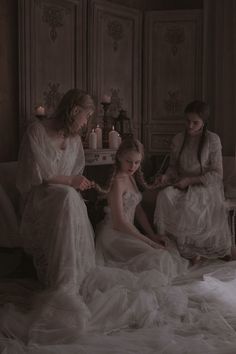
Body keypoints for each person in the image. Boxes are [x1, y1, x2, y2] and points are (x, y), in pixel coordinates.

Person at [16, 88, 96, 292]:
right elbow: (39, 177)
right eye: (86, 116)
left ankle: (71, 280)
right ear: (75, 110)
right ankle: (62, 282)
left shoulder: (74, 139)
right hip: (42, 197)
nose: (86, 122)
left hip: (65, 198)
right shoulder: (37, 131)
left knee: (69, 196)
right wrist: (71, 181)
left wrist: (78, 182)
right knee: (67, 194)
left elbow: (75, 174)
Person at [94, 138, 188, 278]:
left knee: (165, 252)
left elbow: (138, 211)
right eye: (129, 161)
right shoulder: (117, 182)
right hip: (114, 235)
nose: (133, 166)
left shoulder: (130, 176)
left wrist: (152, 235)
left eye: (137, 162)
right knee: (157, 258)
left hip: (129, 232)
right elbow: (119, 223)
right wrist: (149, 242)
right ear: (119, 157)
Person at [153, 100, 232, 264]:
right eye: (187, 120)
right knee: (164, 195)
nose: (190, 125)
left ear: (204, 122)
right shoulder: (178, 139)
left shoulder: (212, 140)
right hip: (182, 183)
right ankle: (179, 247)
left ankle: (198, 248)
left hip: (205, 185)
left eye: (195, 122)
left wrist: (190, 181)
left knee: (192, 203)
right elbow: (173, 167)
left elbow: (217, 174)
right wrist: (166, 177)